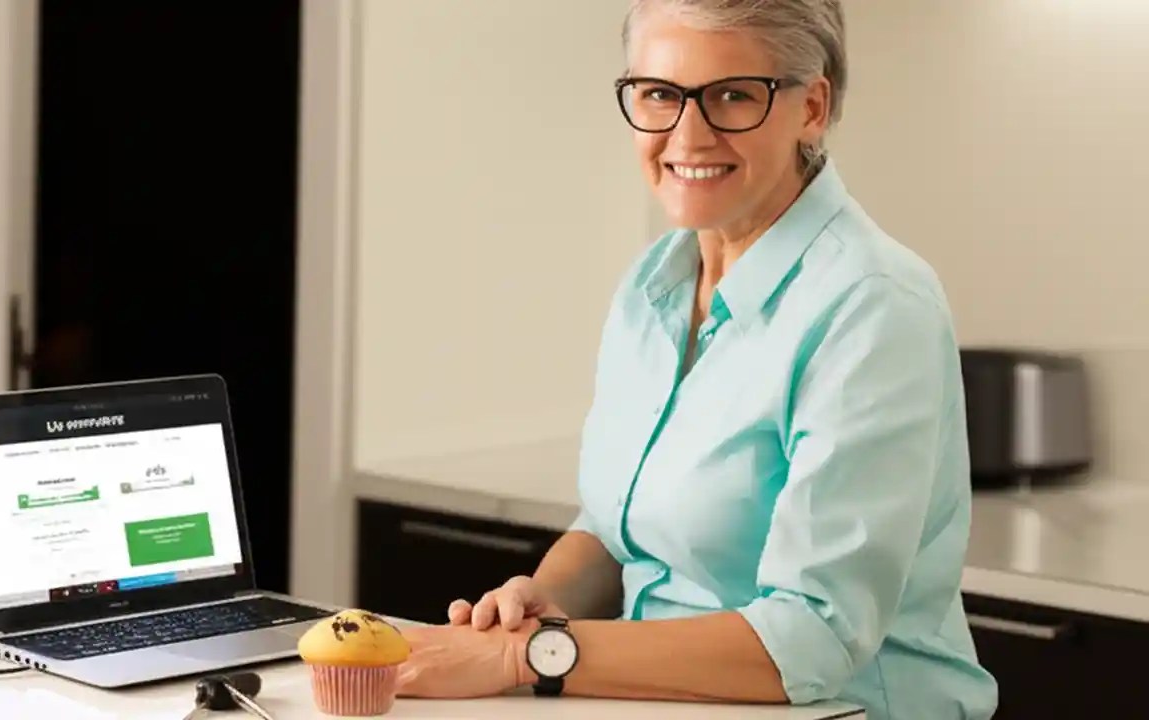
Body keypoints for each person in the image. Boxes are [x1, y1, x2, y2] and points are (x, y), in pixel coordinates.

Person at [394, 1, 998, 718]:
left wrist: (522, 656)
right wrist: (543, 604)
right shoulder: (655, 284)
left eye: (733, 96)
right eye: (658, 94)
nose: (687, 134)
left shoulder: (874, 305)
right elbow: (617, 525)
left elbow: (812, 638)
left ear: (812, 106)